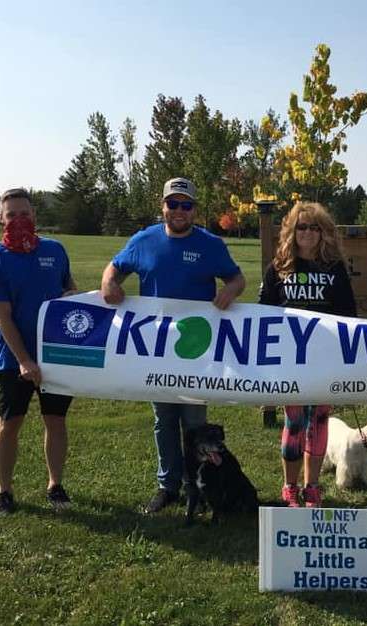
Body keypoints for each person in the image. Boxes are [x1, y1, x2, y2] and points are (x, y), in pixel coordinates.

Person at [100, 177, 245, 514]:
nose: (179, 211)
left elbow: (237, 278)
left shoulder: (210, 244)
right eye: (173, 204)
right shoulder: (143, 240)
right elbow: (116, 267)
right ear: (163, 206)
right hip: (156, 350)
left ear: (194, 209)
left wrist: (230, 291)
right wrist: (108, 282)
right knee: (163, 420)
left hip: (197, 350)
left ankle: (198, 483)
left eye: (186, 205)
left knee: (194, 422)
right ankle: (167, 486)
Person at [0, 188, 79, 514]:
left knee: (56, 422)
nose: (19, 220)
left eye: (24, 213)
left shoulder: (55, 250)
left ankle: (55, 485)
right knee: (8, 425)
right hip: (13, 360)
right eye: (11, 215)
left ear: (34, 215)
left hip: (56, 357)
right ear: (0, 218)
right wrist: (24, 360)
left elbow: (69, 289)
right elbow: (2, 317)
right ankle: (4, 492)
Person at [258, 202, 357, 507]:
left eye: (315, 227)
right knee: (295, 420)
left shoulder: (335, 268)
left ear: (324, 232)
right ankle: (290, 486)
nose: (308, 233)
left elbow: (348, 315)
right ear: (291, 230)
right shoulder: (278, 268)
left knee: (319, 419)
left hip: (324, 359)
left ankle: (311, 486)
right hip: (290, 359)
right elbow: (263, 313)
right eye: (302, 226)